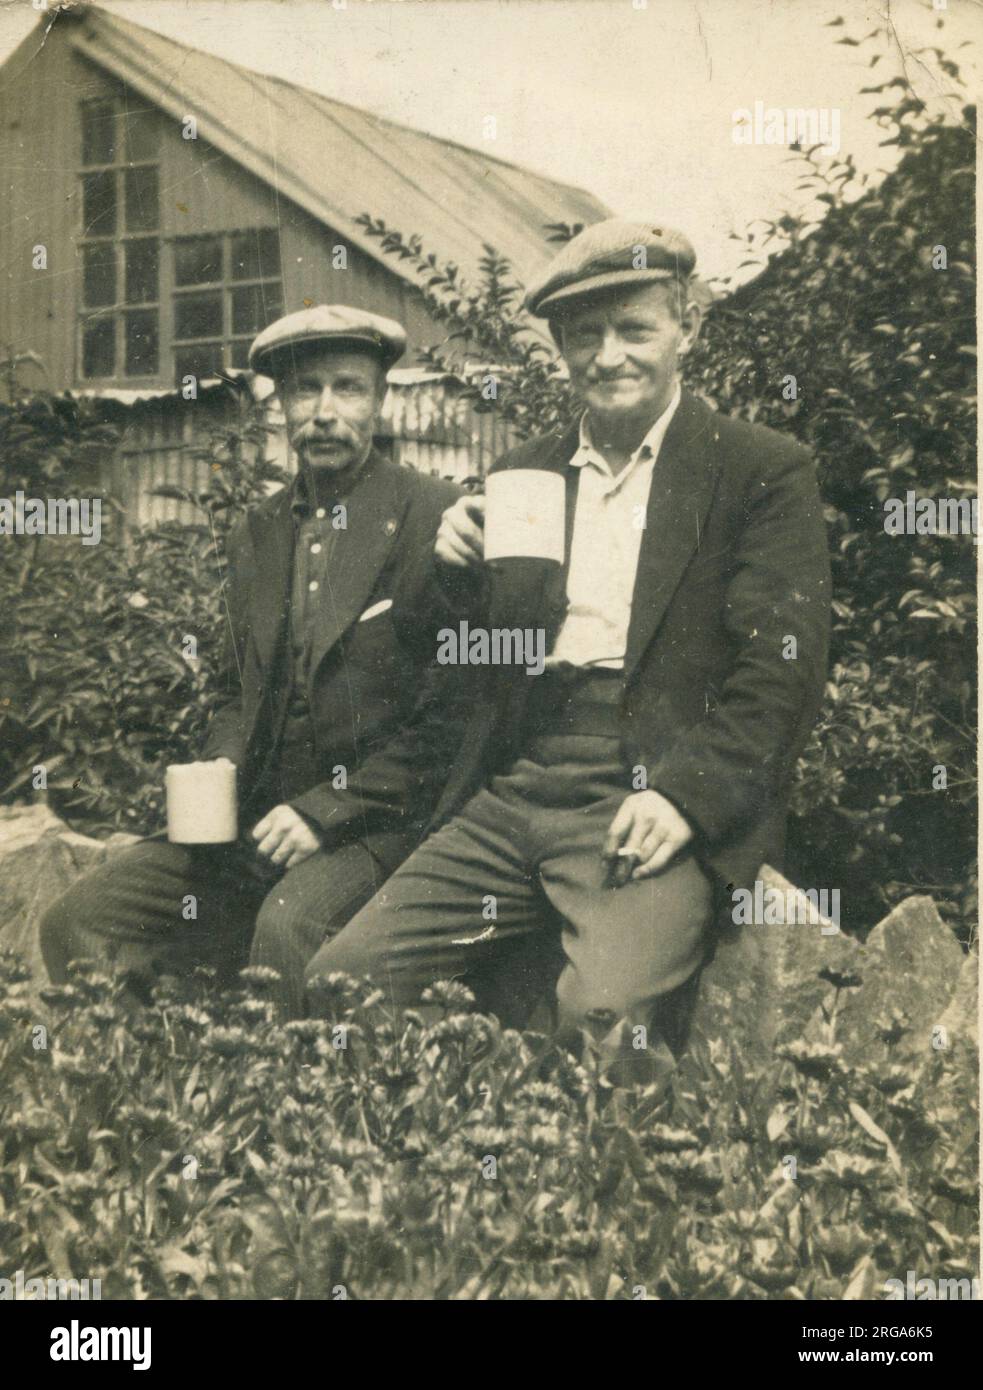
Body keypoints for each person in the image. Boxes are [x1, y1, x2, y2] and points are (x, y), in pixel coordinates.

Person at [304, 221, 832, 1065]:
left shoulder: (756, 471)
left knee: (602, 1017)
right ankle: (439, 1165)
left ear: (686, 327)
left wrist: (685, 798)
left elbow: (781, 670)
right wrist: (448, 572)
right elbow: (450, 656)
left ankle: (593, 1186)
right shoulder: (527, 473)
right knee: (346, 982)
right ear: (558, 346)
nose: (609, 356)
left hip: (643, 786)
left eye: (634, 330)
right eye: (584, 335)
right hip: (516, 782)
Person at [40, 305, 463, 1015]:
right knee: (79, 920)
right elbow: (237, 691)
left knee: (287, 928)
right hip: (256, 821)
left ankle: (295, 1118)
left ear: (380, 398)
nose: (324, 412)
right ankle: (145, 1093)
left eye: (347, 388)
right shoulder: (257, 531)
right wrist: (220, 772)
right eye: (305, 390)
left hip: (375, 824)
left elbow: (450, 721)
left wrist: (325, 811)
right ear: (280, 404)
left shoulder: (433, 517)